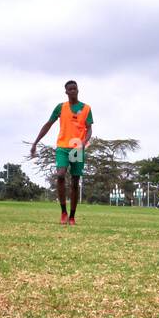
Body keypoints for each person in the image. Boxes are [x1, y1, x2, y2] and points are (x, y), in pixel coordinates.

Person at [29, 80, 93, 226]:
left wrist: (84, 142)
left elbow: (89, 129)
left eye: (74, 89)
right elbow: (48, 124)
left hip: (77, 147)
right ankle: (63, 211)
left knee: (76, 182)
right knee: (60, 174)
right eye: (69, 89)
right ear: (66, 92)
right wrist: (35, 142)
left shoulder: (86, 108)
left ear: (78, 90)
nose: (72, 91)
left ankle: (72, 216)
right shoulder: (60, 107)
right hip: (63, 147)